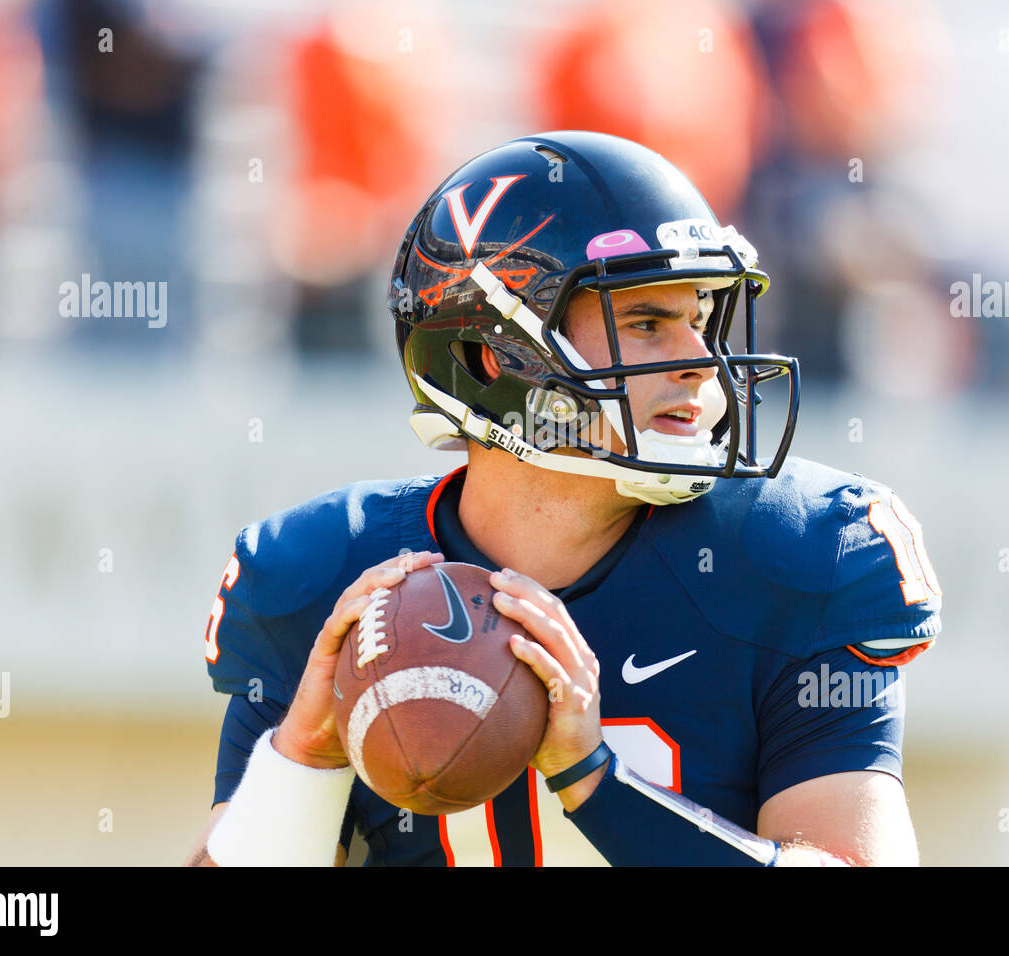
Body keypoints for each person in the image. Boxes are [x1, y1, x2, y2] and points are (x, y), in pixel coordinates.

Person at [184, 131, 941, 867]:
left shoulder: (797, 554)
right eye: (646, 322)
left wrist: (595, 781)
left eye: (700, 320)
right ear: (493, 357)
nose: (700, 362)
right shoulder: (331, 582)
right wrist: (302, 760)